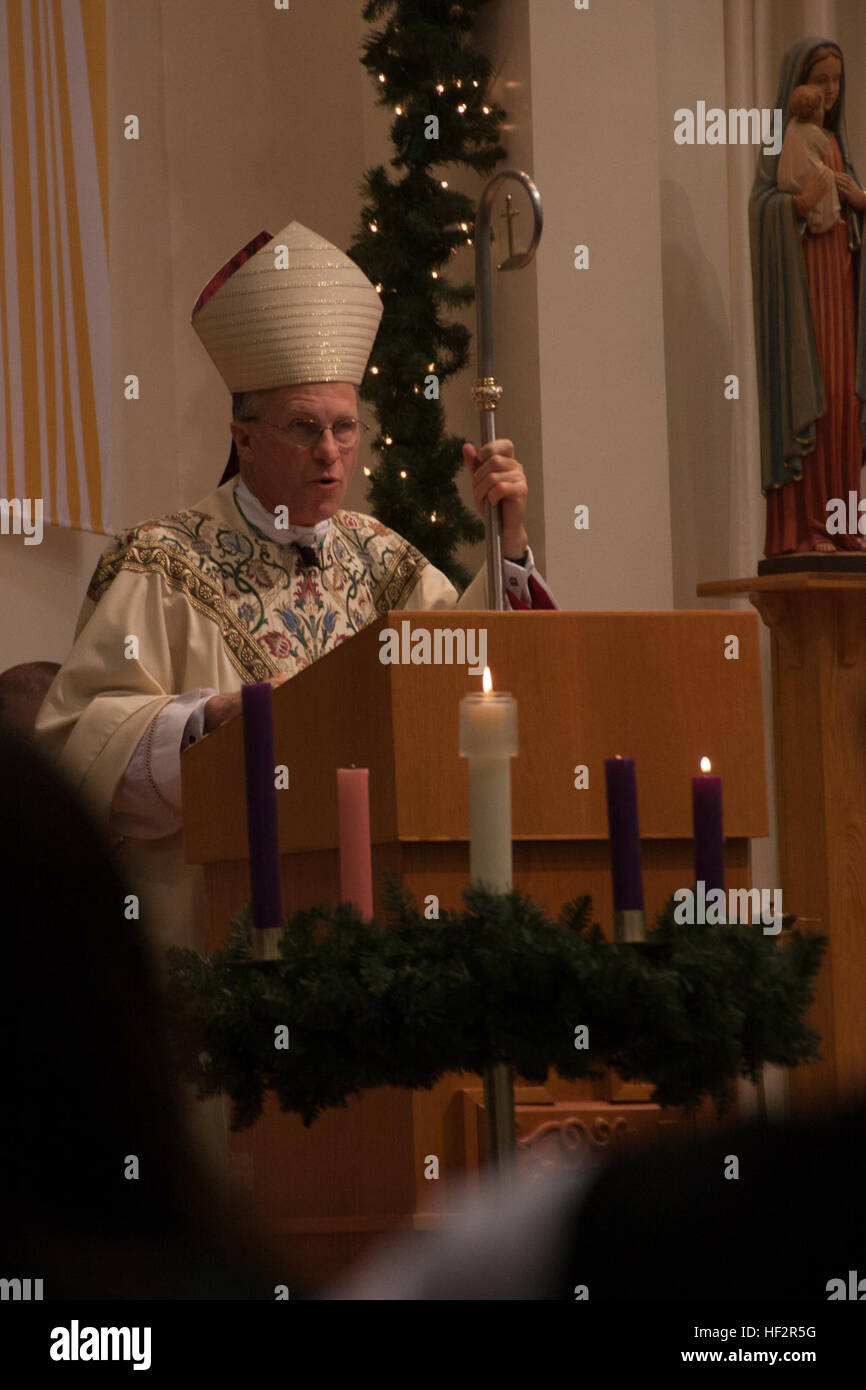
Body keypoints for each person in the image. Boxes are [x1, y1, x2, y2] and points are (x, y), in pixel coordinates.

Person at [34, 220, 556, 962]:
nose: (331, 454)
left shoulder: (387, 562)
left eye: (347, 428)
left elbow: (478, 678)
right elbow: (77, 743)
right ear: (243, 437)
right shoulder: (157, 562)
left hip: (379, 934)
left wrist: (509, 541)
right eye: (304, 427)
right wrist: (203, 722)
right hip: (221, 939)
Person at [749, 38, 866, 557]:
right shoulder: (785, 140)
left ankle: (846, 522)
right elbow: (762, 208)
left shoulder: (836, 144)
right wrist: (798, 203)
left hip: (841, 282)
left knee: (844, 399)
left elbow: (854, 211)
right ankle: (808, 528)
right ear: (799, 83)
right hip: (803, 293)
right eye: (821, 81)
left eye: (837, 82)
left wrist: (859, 201)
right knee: (813, 405)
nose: (830, 91)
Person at [777, 85, 841, 235]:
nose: (824, 111)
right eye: (820, 108)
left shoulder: (792, 125)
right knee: (827, 176)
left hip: (790, 172)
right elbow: (825, 148)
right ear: (813, 111)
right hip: (804, 173)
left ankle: (818, 216)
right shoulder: (813, 131)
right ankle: (825, 219)